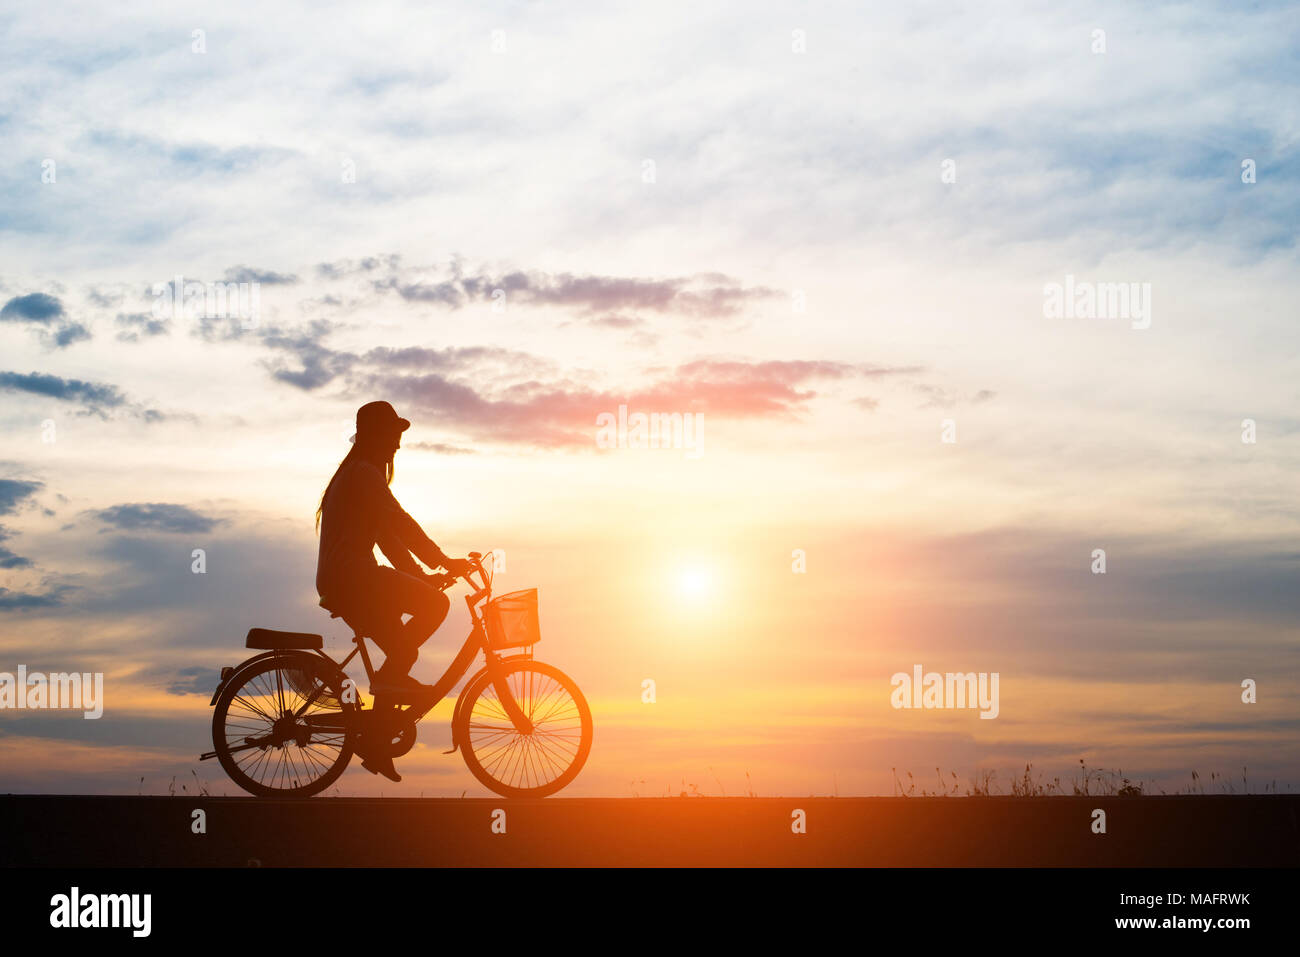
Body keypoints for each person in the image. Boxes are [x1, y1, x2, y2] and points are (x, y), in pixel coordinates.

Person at [315, 400, 471, 782]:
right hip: (353, 579)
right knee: (436, 605)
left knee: (402, 650)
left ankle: (378, 741)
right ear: (374, 436)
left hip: (349, 579)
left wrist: (420, 573)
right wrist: (442, 562)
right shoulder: (364, 475)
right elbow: (399, 523)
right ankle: (386, 696)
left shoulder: (358, 475)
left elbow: (387, 539)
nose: (398, 446)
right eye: (394, 436)